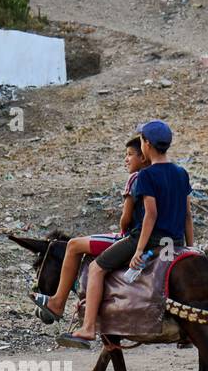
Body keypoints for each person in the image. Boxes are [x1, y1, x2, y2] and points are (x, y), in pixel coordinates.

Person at [57, 119, 193, 348]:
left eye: (141, 141)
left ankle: (88, 328)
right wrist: (189, 247)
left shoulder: (146, 176)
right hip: (176, 241)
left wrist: (139, 249)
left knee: (96, 268)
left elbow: (150, 215)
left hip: (150, 238)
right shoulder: (181, 173)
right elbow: (188, 216)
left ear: (146, 144)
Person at [31, 135, 149, 323]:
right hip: (161, 238)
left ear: (144, 157)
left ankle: (58, 302)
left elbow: (126, 219)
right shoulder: (162, 176)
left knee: (74, 245)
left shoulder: (135, 178)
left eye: (129, 155)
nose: (126, 159)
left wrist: (124, 229)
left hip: (131, 237)